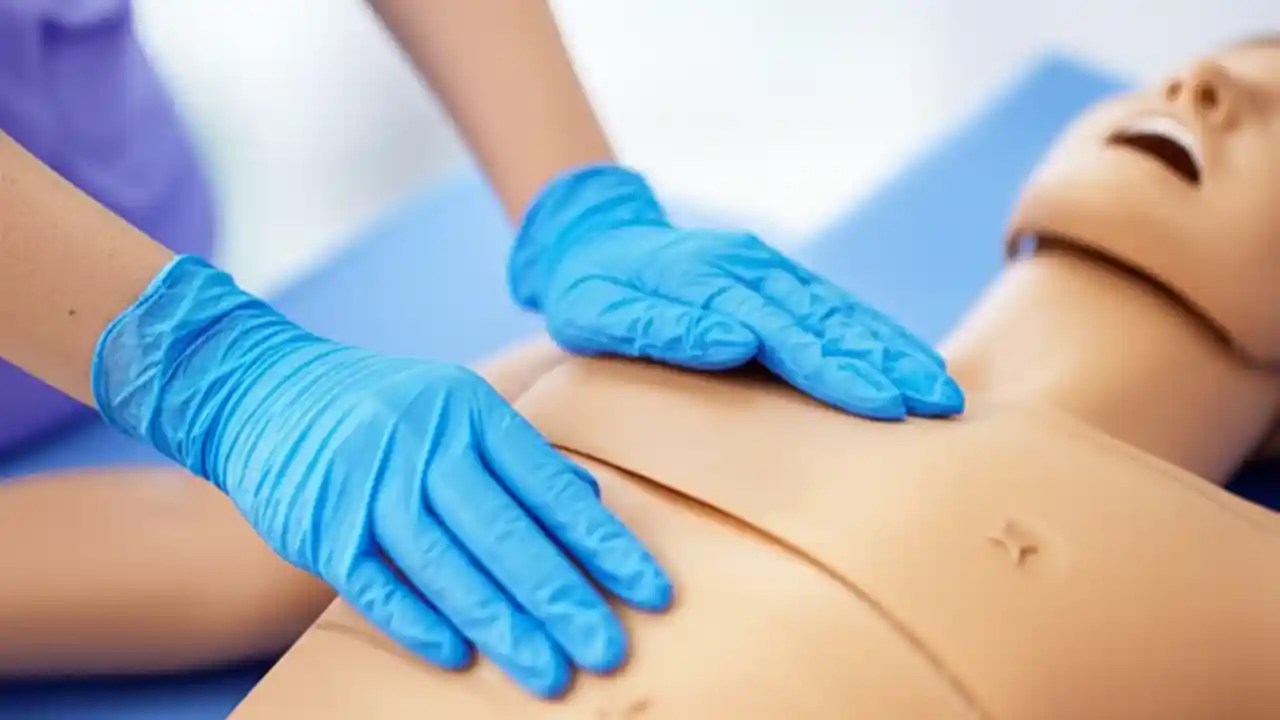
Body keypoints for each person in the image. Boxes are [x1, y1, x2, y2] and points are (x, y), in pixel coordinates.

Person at [4, 32, 1279, 719]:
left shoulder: (1232, 583)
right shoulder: (613, 379)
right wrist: (216, 378)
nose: (1201, 79)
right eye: (1229, 52)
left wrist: (575, 193)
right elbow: (199, 553)